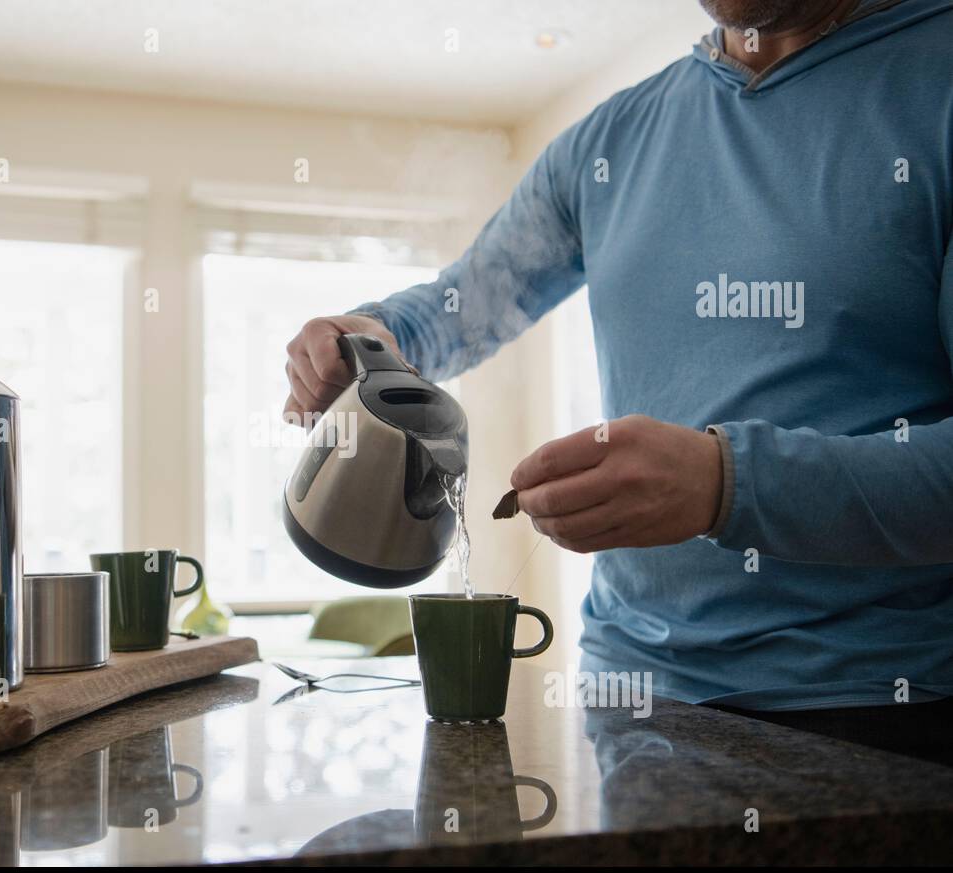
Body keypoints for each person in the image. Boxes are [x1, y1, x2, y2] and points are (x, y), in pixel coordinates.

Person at [282, 0, 953, 739]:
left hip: (882, 707)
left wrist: (725, 484)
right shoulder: (611, 139)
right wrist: (373, 333)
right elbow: (463, 302)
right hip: (629, 696)